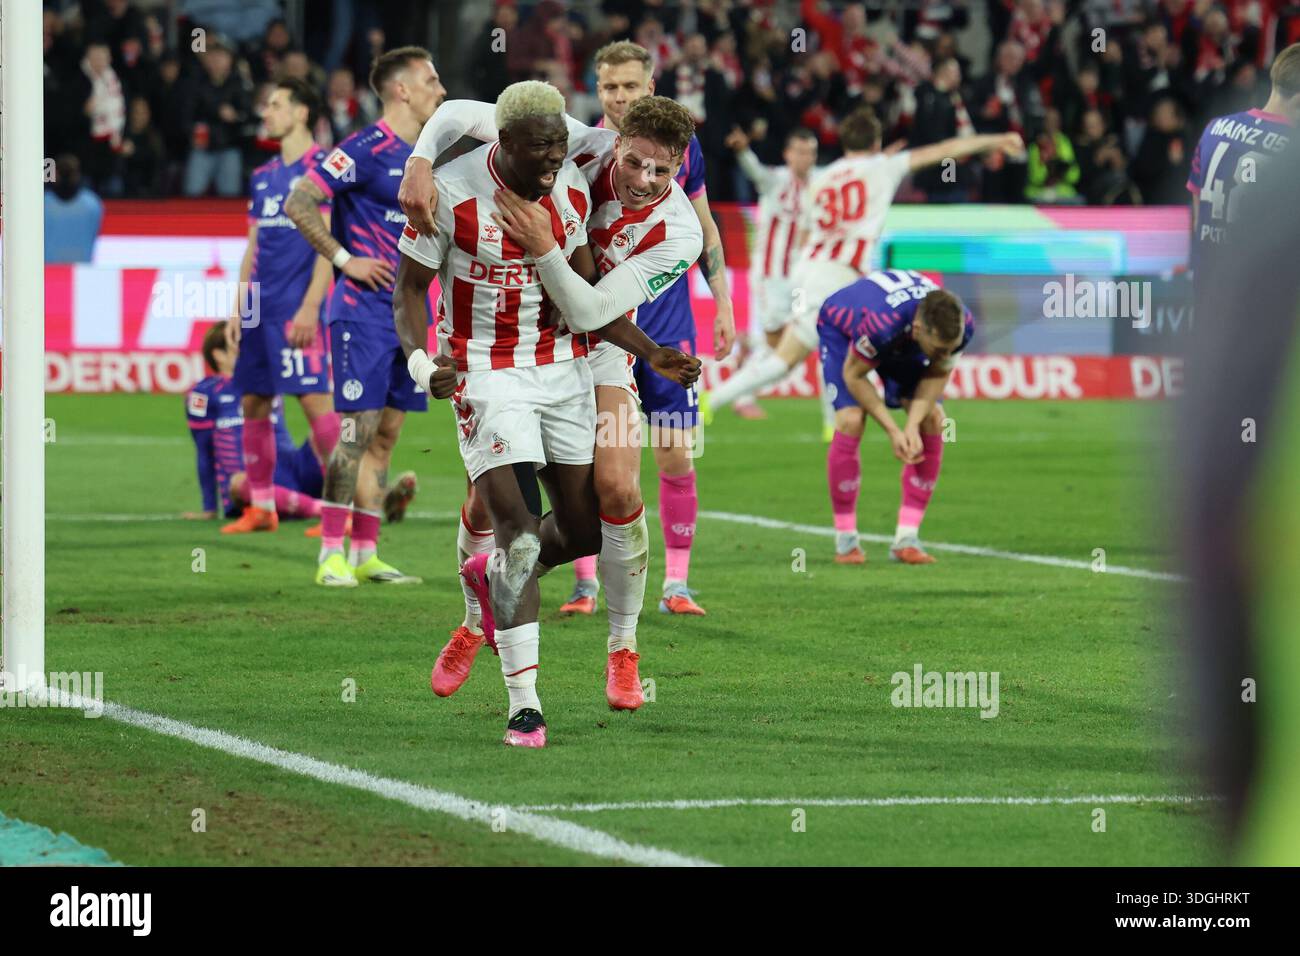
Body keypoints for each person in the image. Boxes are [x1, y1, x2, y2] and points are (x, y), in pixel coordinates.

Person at [393, 81, 699, 747]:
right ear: (613, 140)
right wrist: (418, 161)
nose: (646, 179)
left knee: (611, 498)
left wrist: (647, 348)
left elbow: (590, 309)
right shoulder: (566, 145)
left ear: (680, 167)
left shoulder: (678, 232)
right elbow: (452, 114)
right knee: (496, 519)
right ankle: (487, 637)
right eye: (637, 161)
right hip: (498, 359)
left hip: (594, 347)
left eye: (663, 169)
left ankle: (623, 648)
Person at [705, 109, 1019, 418]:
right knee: (791, 357)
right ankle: (713, 401)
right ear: (876, 143)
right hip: (836, 274)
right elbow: (945, 151)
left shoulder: (823, 177)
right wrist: (999, 139)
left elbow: (804, 234)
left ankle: (837, 422)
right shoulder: (884, 166)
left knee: (830, 349)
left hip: (807, 269)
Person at [285, 47, 445, 586]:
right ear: (401, 90)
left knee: (386, 438)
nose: (439, 89)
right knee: (355, 433)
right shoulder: (363, 148)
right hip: (361, 315)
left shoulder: (429, 156)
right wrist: (344, 259)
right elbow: (299, 202)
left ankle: (365, 553)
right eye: (430, 80)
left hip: (411, 317)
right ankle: (330, 553)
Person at [222, 78, 344, 537]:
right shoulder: (263, 175)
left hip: (297, 309)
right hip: (260, 310)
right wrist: (238, 308)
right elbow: (252, 246)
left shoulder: (323, 170)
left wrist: (313, 306)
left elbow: (326, 245)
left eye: (275, 105)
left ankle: (342, 509)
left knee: (315, 403)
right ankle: (261, 507)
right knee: (255, 402)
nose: (266, 112)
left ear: (301, 113)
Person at [185, 322, 413, 524]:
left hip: (294, 468)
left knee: (338, 425)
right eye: (237, 339)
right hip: (249, 483)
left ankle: (374, 499)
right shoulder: (204, 394)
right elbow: (204, 453)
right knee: (238, 483)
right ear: (219, 354)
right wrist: (210, 509)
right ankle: (325, 510)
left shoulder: (264, 380)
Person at [820, 270, 974, 564]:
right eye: (940, 349)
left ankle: (907, 539)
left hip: (900, 339)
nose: (946, 354)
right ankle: (846, 540)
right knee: (851, 420)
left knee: (933, 420)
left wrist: (912, 426)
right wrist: (894, 430)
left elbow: (939, 372)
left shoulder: (961, 325)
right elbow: (855, 376)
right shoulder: (882, 324)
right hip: (843, 329)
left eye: (951, 349)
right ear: (918, 329)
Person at [1186, 43, 1299, 296]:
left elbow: (1197, 214)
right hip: (1261, 295)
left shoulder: (1214, 127)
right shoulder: (1292, 152)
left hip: (1208, 284)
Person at [724, 125, 819, 422]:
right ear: (788, 154)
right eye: (800, 152)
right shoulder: (776, 181)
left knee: (791, 336)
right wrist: (741, 151)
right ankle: (742, 397)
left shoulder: (819, 185)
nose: (806, 158)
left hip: (801, 280)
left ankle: (749, 345)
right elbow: (755, 172)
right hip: (770, 277)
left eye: (811, 153)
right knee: (776, 340)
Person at [44, 155, 103, 264]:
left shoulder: (92, 204)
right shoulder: (92, 203)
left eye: (69, 172)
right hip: (50, 271)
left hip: (79, 271)